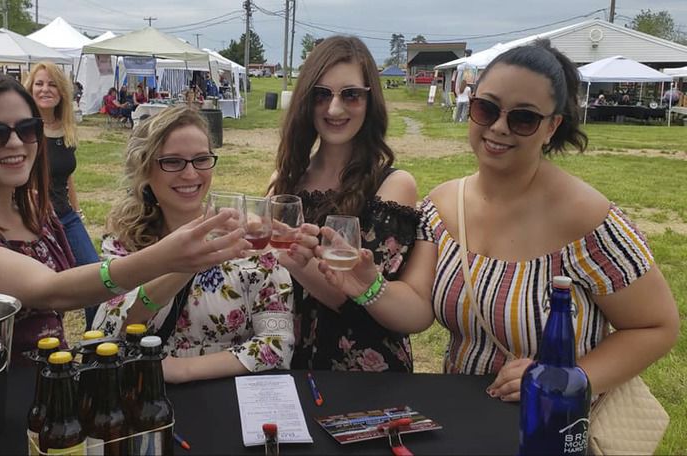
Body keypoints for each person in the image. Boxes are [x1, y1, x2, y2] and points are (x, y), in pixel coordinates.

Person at [318, 40, 679, 400]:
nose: (500, 127)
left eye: (523, 118)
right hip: (463, 421)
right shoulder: (442, 207)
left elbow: (656, 326)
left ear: (552, 126)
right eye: (487, 109)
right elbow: (416, 307)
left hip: (549, 425)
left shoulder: (586, 217)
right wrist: (367, 283)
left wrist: (569, 379)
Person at [0, 71, 251, 361]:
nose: (16, 143)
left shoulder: (35, 211)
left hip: (48, 386)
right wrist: (171, 258)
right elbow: (51, 291)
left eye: (27, 129)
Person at [92, 106, 294, 383]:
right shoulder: (125, 241)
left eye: (201, 159)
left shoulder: (248, 241)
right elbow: (111, 333)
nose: (190, 174)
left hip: (229, 401)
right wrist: (185, 263)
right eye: (173, 162)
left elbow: (277, 344)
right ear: (145, 169)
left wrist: (181, 369)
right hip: (145, 398)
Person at [270, 36, 425, 372]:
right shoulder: (287, 180)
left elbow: (356, 299)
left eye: (350, 94)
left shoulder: (393, 185)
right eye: (321, 94)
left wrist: (294, 259)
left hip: (361, 371)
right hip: (291, 361)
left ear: (370, 101)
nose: (334, 108)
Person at [24, 62, 102, 329]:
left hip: (65, 217)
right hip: (31, 221)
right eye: (40, 83)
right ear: (30, 88)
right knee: (47, 292)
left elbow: (66, 175)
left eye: (52, 84)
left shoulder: (66, 127)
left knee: (97, 280)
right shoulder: (21, 127)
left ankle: (95, 345)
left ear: (62, 92)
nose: (46, 89)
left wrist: (77, 212)